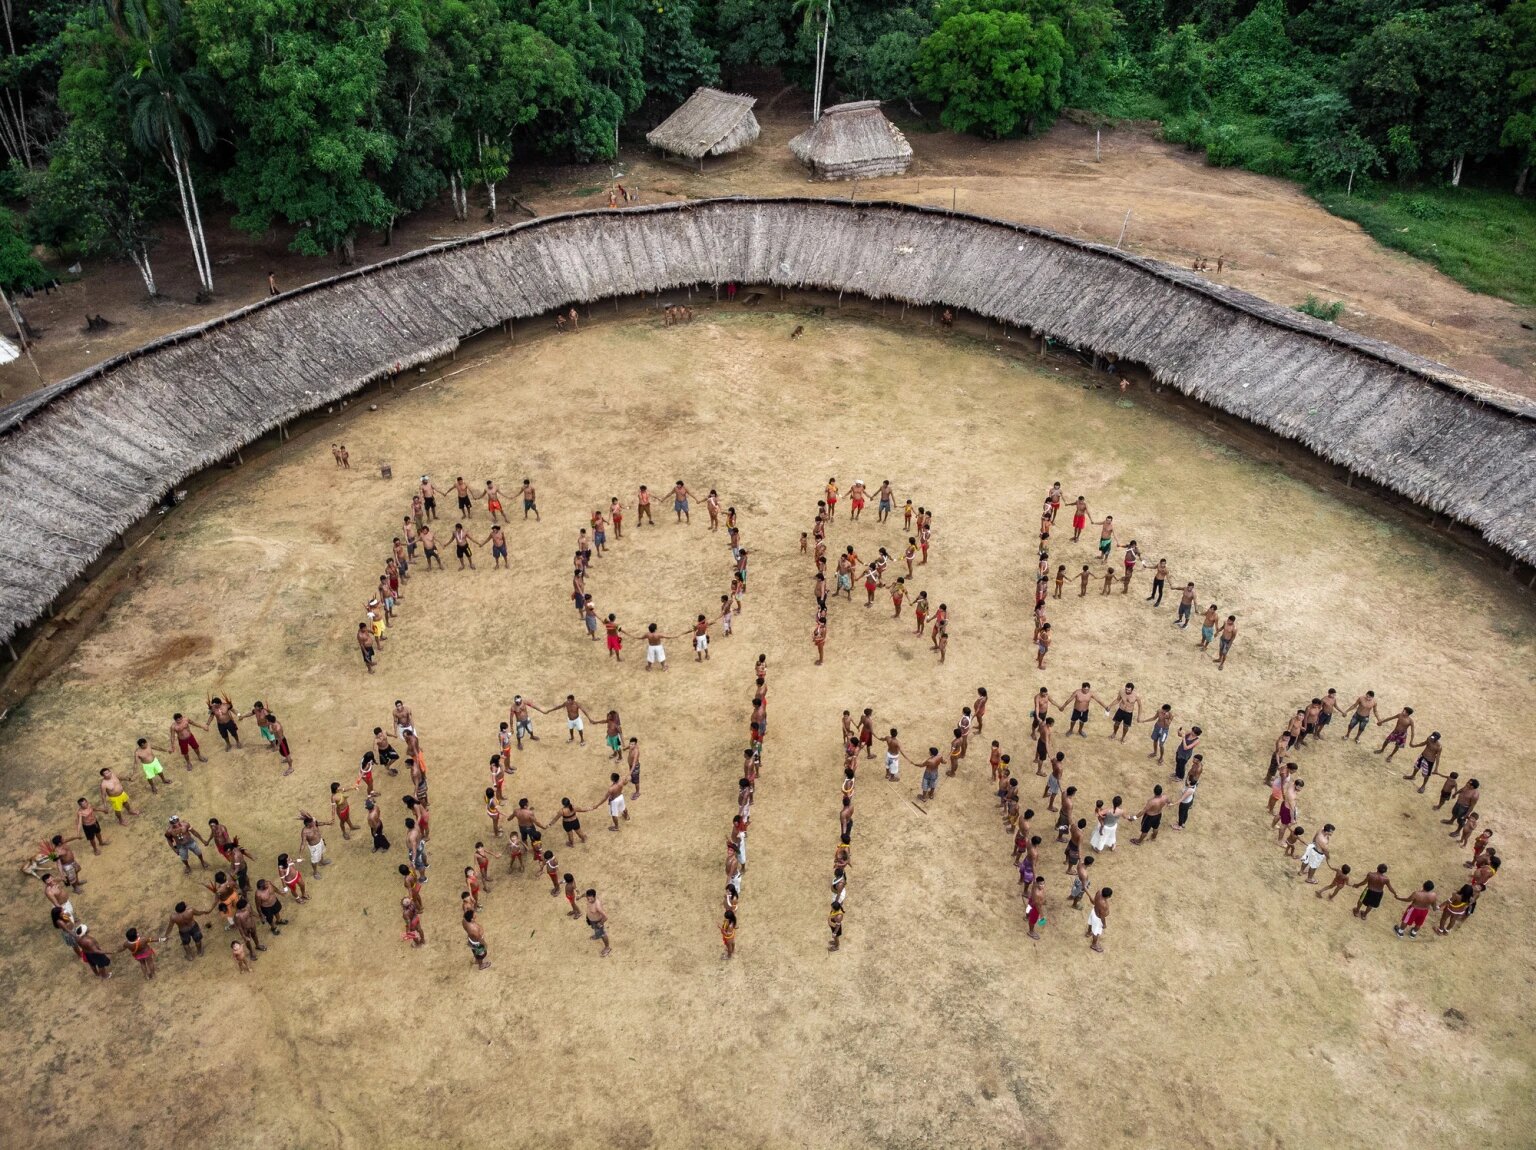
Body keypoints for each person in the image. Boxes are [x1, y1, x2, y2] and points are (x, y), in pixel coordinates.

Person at [584, 889, 612, 957]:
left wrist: (600, 923)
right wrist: (579, 896)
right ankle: (597, 935)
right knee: (596, 930)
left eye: (590, 899)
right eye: (588, 899)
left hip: (597, 922)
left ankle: (607, 948)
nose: (589, 900)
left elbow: (606, 917)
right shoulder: (588, 897)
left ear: (594, 896)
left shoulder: (597, 906)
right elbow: (584, 895)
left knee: (602, 934)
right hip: (592, 921)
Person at [1085, 887, 1112, 954]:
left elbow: (1094, 901)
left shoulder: (1099, 892)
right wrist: (1104, 924)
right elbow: (1102, 916)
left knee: (1090, 923)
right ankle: (1094, 945)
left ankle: (1088, 933)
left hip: (1093, 911)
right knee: (1096, 932)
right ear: (1109, 896)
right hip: (1097, 918)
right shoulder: (1104, 905)